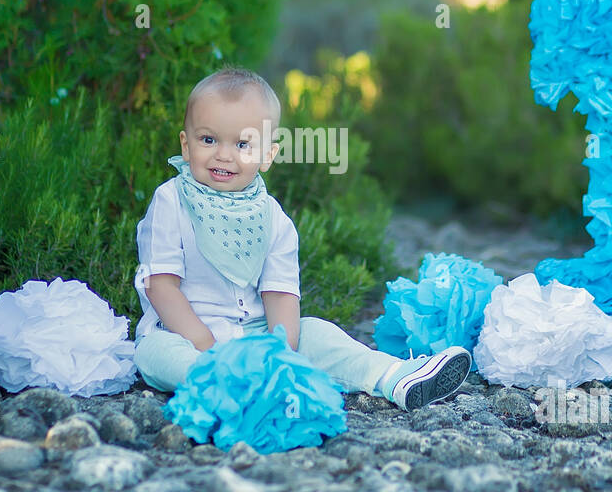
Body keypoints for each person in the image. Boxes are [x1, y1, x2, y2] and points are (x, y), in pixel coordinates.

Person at [132, 65, 471, 410]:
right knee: (156, 355)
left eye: (243, 144)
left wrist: (280, 354)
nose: (224, 154)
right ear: (186, 146)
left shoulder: (273, 218)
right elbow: (161, 286)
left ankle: (393, 376)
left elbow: (279, 296)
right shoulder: (171, 200)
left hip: (256, 336)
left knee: (316, 333)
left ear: (267, 156)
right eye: (209, 140)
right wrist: (208, 347)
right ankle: (225, 383)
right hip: (185, 336)